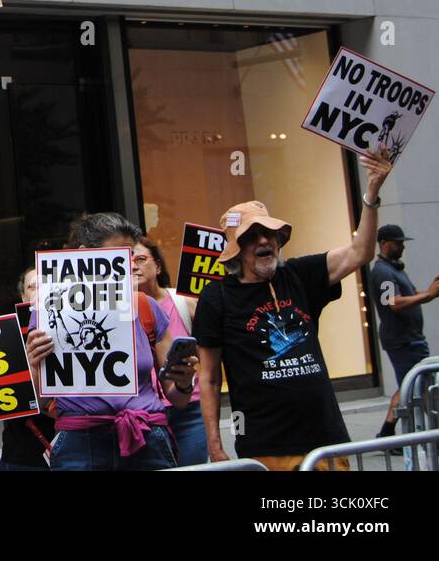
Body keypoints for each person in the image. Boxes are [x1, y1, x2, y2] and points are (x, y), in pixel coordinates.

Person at [195, 148, 393, 471]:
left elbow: (361, 252)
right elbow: (209, 378)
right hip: (267, 448)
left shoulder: (300, 275)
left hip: (326, 440)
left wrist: (371, 192)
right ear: (236, 250)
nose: (264, 241)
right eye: (251, 236)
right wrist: (215, 446)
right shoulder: (216, 297)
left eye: (269, 233)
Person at [25, 213, 198, 471]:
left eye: (130, 255)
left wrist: (183, 382)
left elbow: (178, 398)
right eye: (118, 255)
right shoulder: (50, 310)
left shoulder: (145, 305)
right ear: (83, 256)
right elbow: (38, 402)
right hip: (79, 445)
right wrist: (33, 362)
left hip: (146, 438)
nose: (127, 264)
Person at [130, 237, 207, 465]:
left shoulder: (184, 302)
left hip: (189, 412)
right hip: (144, 416)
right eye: (126, 261)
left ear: (158, 265)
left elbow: (209, 357)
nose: (133, 266)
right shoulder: (117, 309)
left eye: (141, 259)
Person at [368, 223, 438, 443]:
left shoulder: (396, 269)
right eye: (398, 244)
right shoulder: (382, 272)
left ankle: (387, 433)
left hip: (411, 338)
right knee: (421, 386)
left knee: (409, 384)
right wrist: (428, 296)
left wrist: (430, 290)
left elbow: (412, 293)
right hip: (402, 341)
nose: (402, 247)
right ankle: (433, 433)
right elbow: (394, 303)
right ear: (384, 244)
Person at [0, 267, 55, 471]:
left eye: (47, 286)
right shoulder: (6, 337)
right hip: (21, 453)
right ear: (23, 295)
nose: (40, 291)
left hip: (69, 444)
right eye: (33, 286)